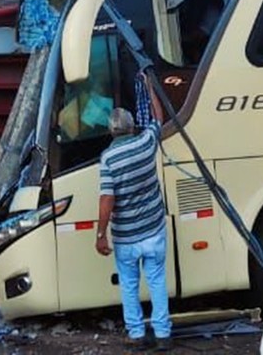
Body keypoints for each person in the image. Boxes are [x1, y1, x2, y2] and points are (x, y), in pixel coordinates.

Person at [95, 74, 171, 351]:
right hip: (153, 230)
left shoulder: (108, 159)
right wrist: (150, 86)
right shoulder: (146, 143)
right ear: (130, 127)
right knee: (157, 280)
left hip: (126, 237)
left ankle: (137, 335)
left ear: (111, 131)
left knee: (129, 285)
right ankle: (163, 335)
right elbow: (157, 117)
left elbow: (107, 199)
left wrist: (101, 234)